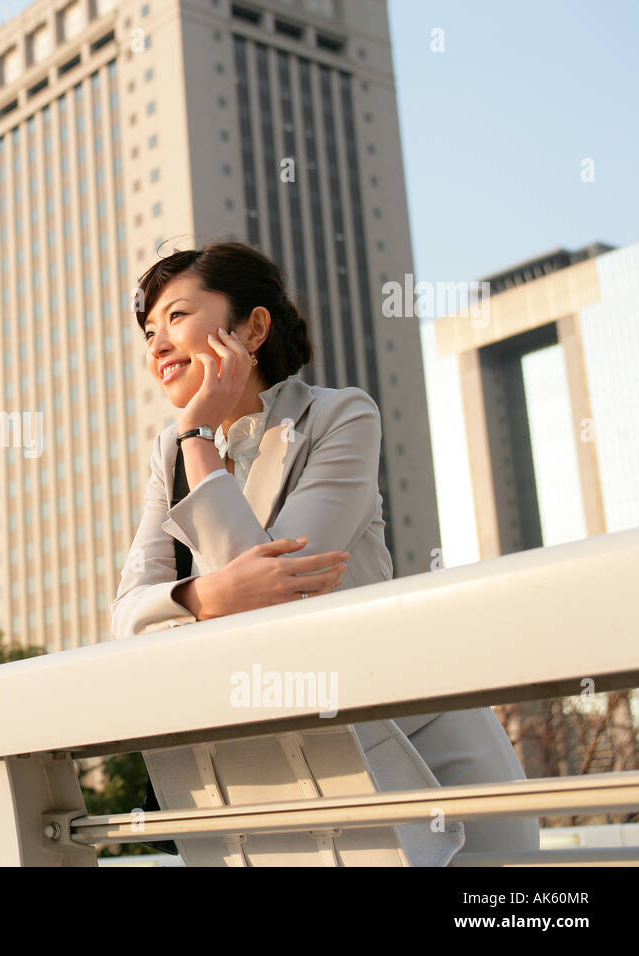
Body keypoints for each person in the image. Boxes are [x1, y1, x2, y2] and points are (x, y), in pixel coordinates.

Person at [110, 240, 539, 858]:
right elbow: (128, 613)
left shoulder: (340, 417)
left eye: (176, 316)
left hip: (426, 754)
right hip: (288, 775)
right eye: (149, 330)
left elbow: (283, 596)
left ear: (252, 327)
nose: (155, 343)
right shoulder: (168, 454)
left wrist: (199, 435)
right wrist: (207, 595)